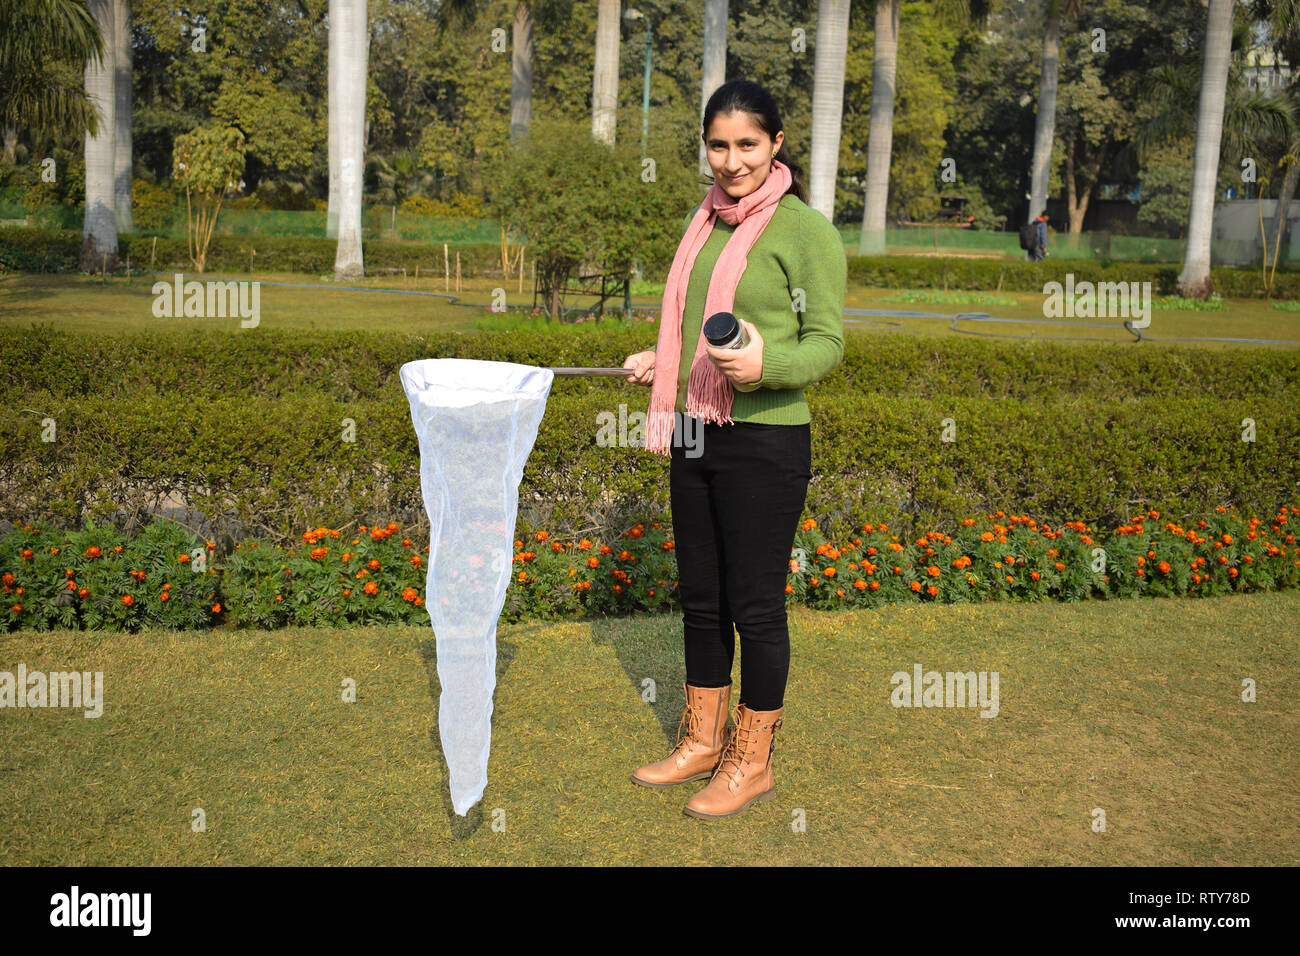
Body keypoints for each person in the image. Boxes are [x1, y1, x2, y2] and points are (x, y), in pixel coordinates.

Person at [621, 79, 845, 819]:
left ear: (776, 143)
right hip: (693, 426)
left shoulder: (804, 231)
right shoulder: (704, 221)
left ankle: (752, 763)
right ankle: (703, 742)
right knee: (701, 599)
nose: (731, 160)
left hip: (765, 436)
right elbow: (692, 319)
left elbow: (826, 344)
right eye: (718, 145)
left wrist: (765, 368)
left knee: (755, 606)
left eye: (747, 144)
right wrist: (666, 358)